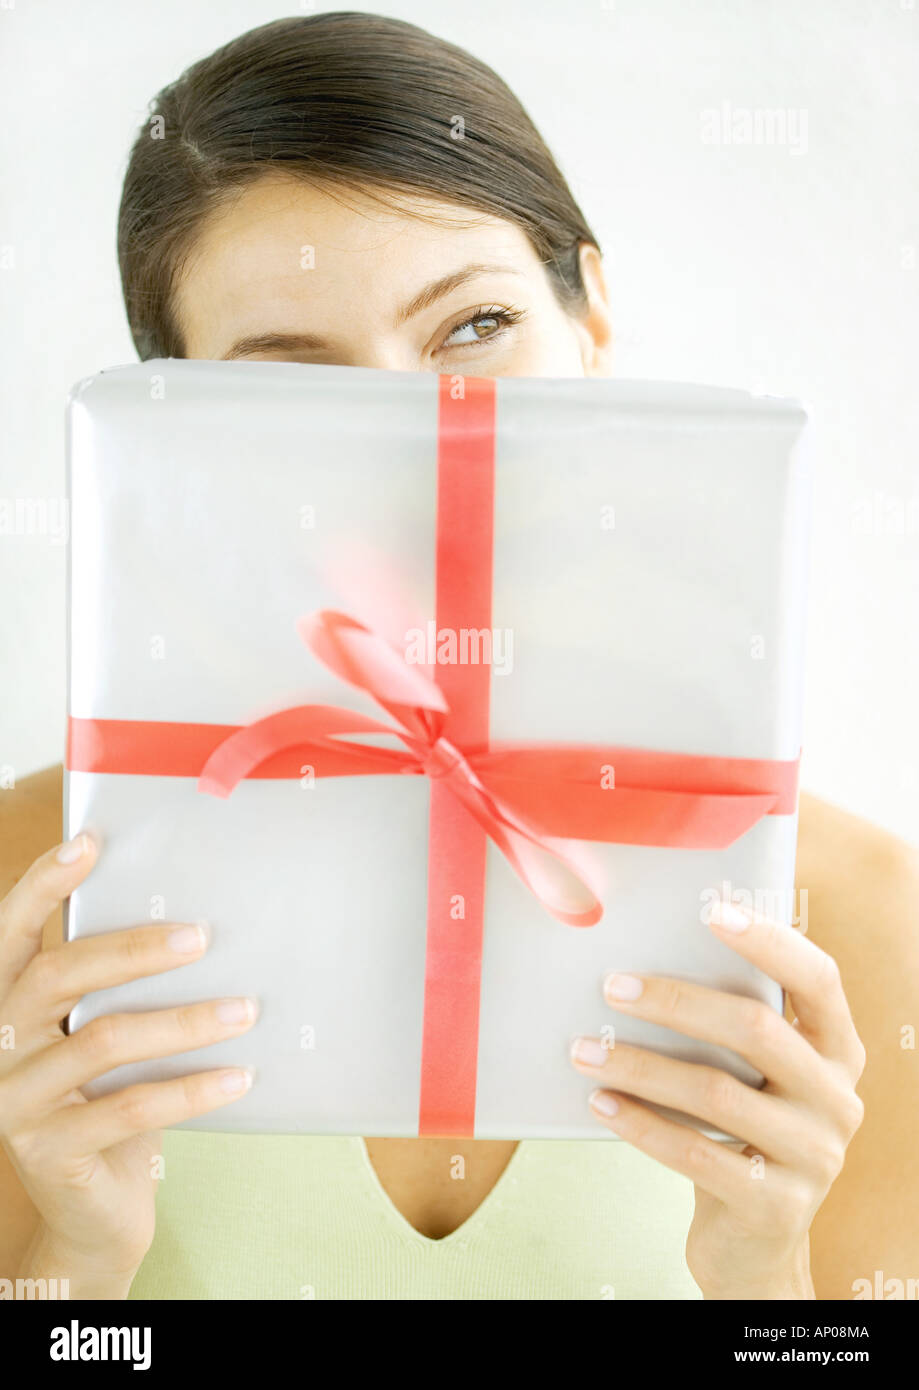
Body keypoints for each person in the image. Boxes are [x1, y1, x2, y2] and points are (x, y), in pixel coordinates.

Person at [1, 12, 916, 1301]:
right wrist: (71, 1274)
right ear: (181, 436)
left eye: (474, 327)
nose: (416, 439)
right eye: (297, 382)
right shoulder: (38, 904)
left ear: (593, 312)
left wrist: (765, 1287)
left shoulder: (861, 925)